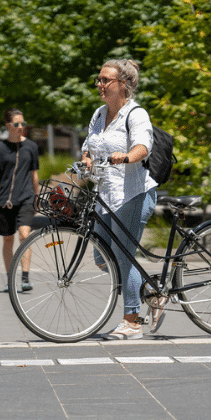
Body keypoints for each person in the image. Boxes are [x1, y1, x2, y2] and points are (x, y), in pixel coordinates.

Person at [80, 58, 159, 341]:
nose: (99, 85)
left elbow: (143, 145)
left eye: (105, 80)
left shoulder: (135, 114)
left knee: (123, 257)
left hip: (133, 194)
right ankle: (150, 291)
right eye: (98, 80)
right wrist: (87, 160)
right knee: (103, 257)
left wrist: (126, 157)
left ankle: (132, 321)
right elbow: (89, 147)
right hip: (105, 196)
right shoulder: (100, 114)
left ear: (122, 85)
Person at [0, 109, 41, 291]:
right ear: (8, 126)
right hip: (6, 200)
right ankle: (11, 278)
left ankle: (25, 278)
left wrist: (37, 197)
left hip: (26, 197)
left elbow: (34, 174)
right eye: (17, 124)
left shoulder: (31, 147)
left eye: (23, 124)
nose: (21, 127)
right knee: (8, 239)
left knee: (25, 235)